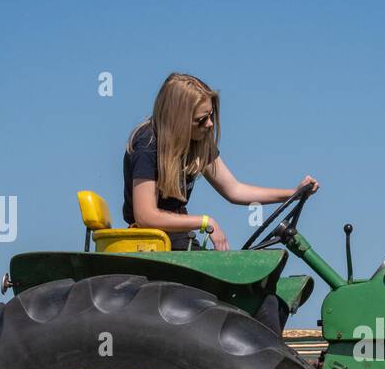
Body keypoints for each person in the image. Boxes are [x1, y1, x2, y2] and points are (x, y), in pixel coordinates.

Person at [122, 73, 318, 251]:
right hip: (149, 242)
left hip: (178, 238)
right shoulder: (148, 144)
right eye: (201, 120)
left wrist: (294, 194)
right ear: (177, 120)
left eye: (210, 116)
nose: (209, 124)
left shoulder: (196, 144)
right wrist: (206, 222)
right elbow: (145, 215)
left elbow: (234, 190)